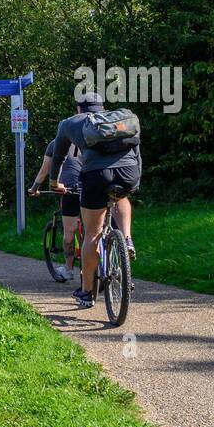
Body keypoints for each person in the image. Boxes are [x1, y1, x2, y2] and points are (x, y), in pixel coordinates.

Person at [48, 91, 141, 309]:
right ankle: (126, 239)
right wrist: (135, 181)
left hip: (96, 176)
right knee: (122, 197)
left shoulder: (70, 123)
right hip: (129, 172)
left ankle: (87, 292)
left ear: (78, 109)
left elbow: (58, 157)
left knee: (92, 232)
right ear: (102, 107)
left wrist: (54, 183)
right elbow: (136, 152)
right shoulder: (121, 119)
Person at [28, 103, 86, 280]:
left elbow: (45, 170)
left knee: (69, 232)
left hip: (68, 190)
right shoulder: (88, 140)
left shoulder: (55, 144)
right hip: (90, 186)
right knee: (92, 230)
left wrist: (34, 189)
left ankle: (68, 270)